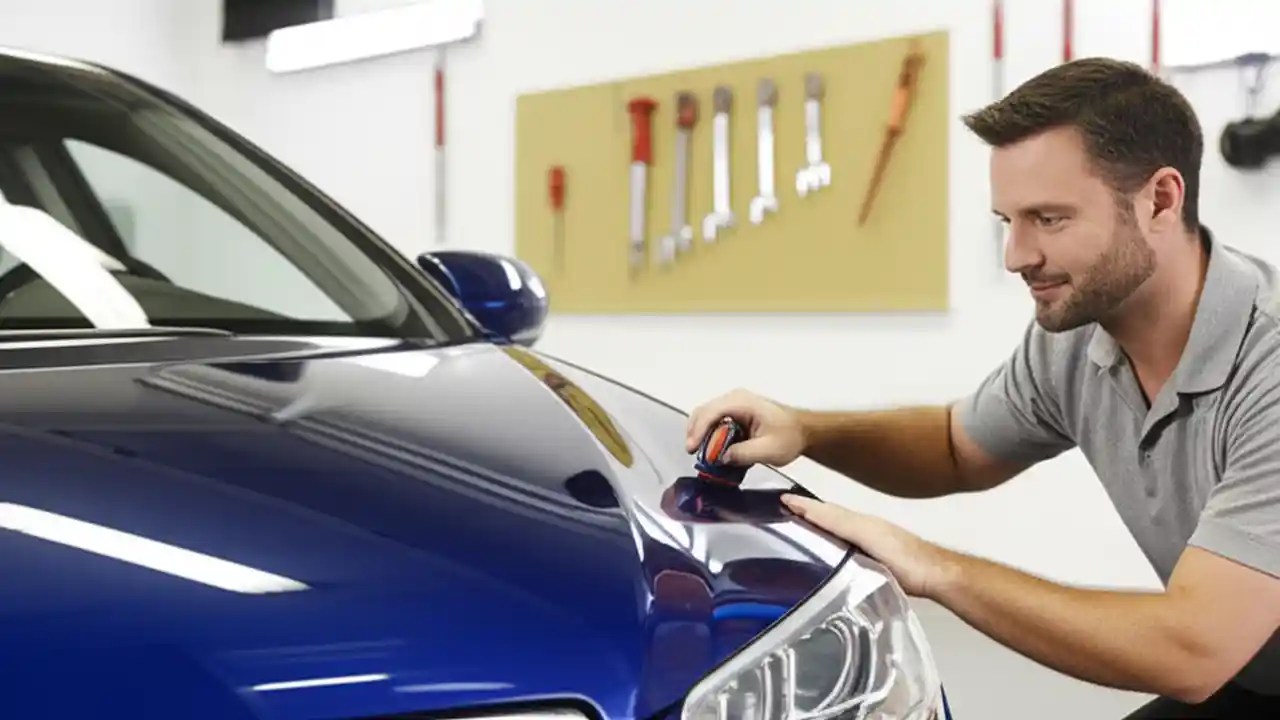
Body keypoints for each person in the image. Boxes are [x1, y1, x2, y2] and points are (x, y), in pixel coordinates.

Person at [684, 57, 1280, 718]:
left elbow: (1194, 648)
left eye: (1048, 219)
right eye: (1008, 221)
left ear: (1160, 201)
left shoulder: (1270, 364)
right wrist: (805, 431)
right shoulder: (1079, 338)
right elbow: (956, 447)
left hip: (1220, 659)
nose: (1016, 256)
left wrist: (935, 568)